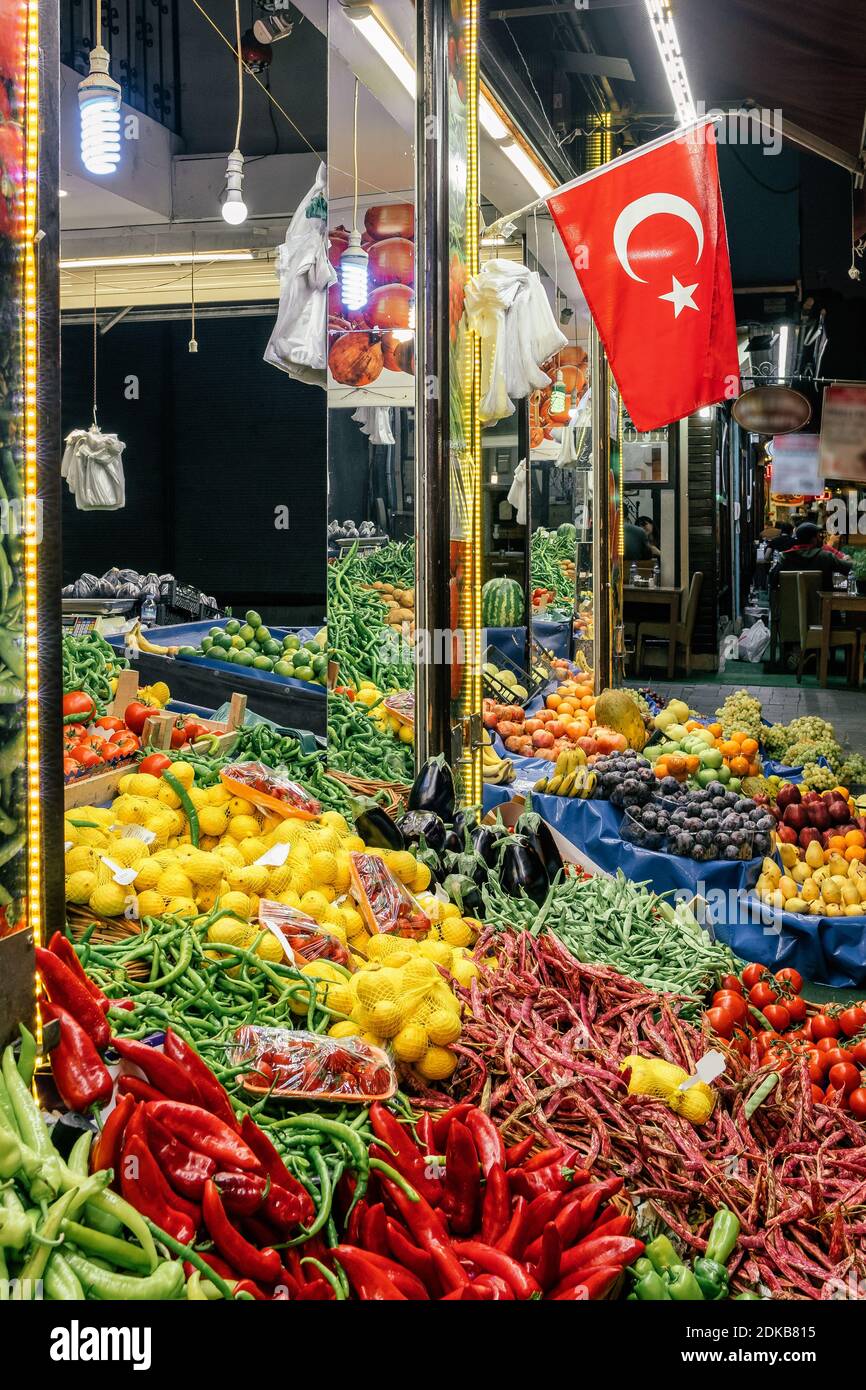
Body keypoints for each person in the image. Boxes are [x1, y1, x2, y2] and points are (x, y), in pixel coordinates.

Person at [770, 521, 853, 591]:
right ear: (813, 540)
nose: (821, 539)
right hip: (823, 607)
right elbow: (850, 568)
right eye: (819, 537)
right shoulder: (825, 557)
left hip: (791, 608)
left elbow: (772, 582)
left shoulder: (785, 557)